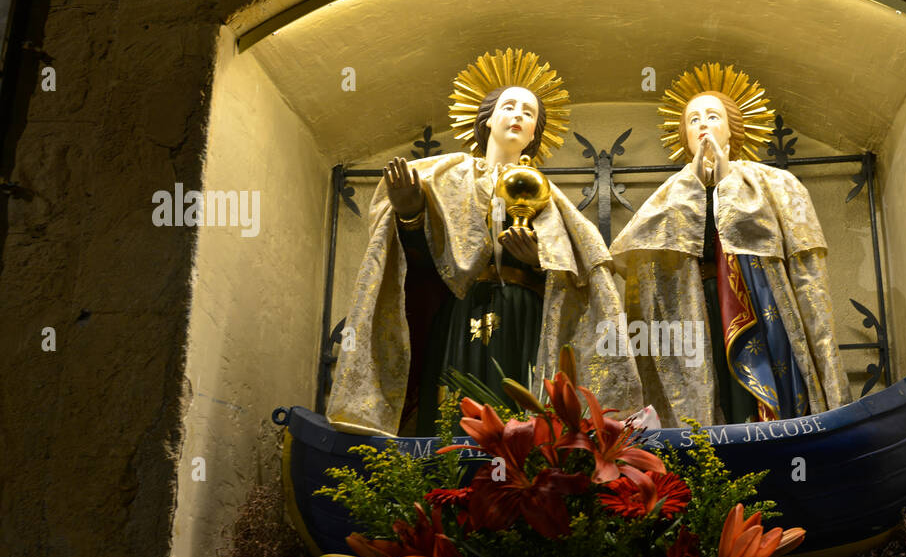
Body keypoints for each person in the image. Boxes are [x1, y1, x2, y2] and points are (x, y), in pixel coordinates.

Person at [326, 49, 640, 437]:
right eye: (510, 106)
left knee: (518, 411)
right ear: (488, 119)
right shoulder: (445, 178)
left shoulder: (548, 198)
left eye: (529, 113)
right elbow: (420, 272)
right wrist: (411, 216)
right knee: (454, 408)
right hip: (460, 313)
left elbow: (577, 289)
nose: (519, 115)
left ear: (534, 132)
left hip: (523, 318)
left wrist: (539, 265)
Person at [609, 63, 850, 427]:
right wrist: (692, 188)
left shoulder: (772, 182)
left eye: (712, 116)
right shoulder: (671, 194)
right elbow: (641, 258)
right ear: (684, 135)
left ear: (732, 130)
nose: (702, 124)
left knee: (760, 387)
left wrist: (728, 181)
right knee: (711, 387)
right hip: (697, 303)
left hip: (759, 299)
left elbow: (787, 251)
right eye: (692, 119)